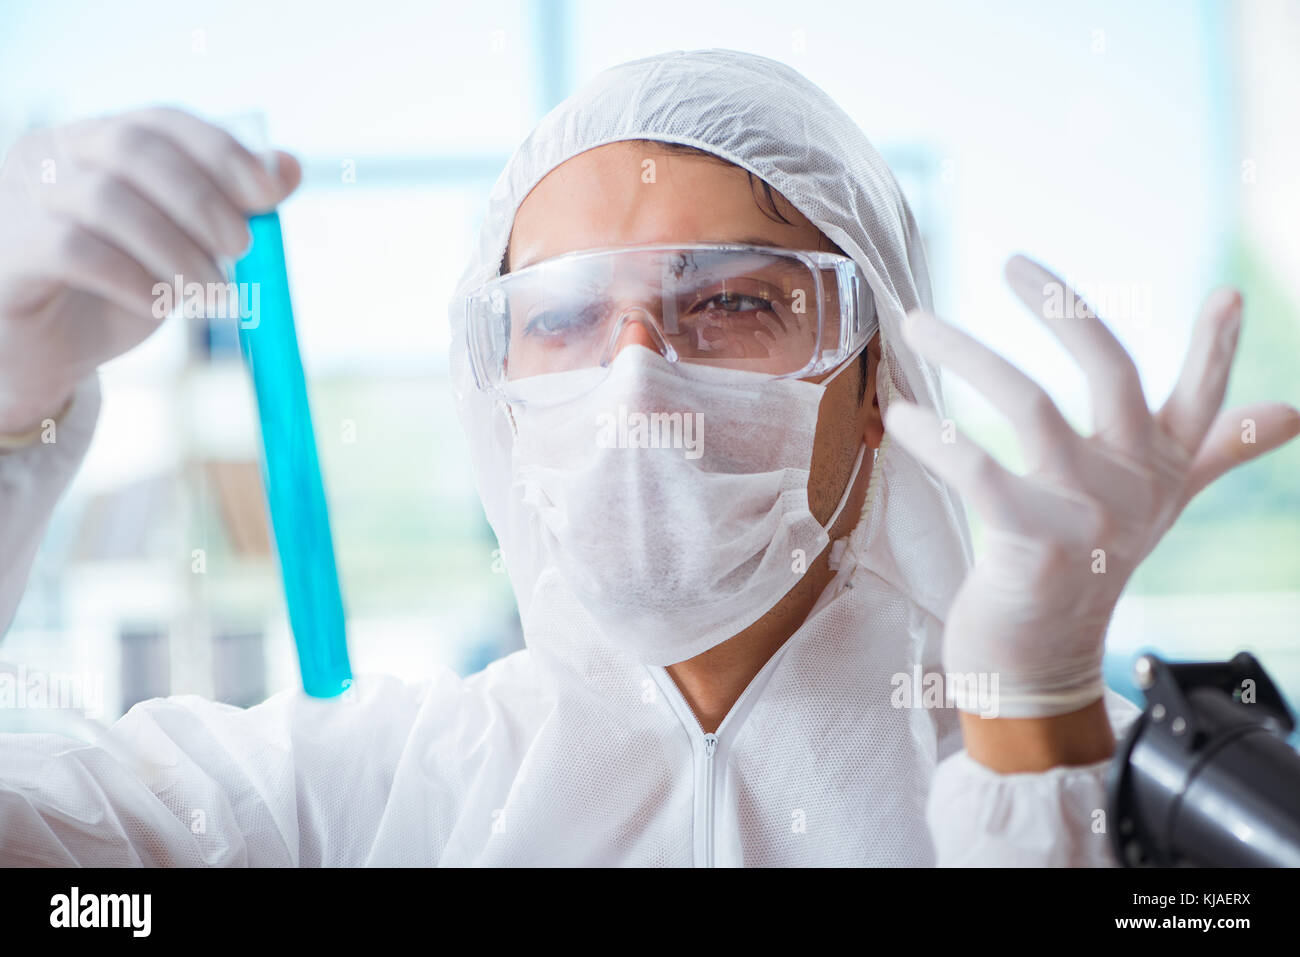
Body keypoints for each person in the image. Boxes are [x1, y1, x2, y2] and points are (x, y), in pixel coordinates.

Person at [0, 49, 1295, 866]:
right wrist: (9, 403)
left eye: (730, 302)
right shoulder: (355, 791)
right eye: (561, 318)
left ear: (876, 379)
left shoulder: (1117, 785)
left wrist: (1034, 740)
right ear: (498, 392)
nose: (633, 379)